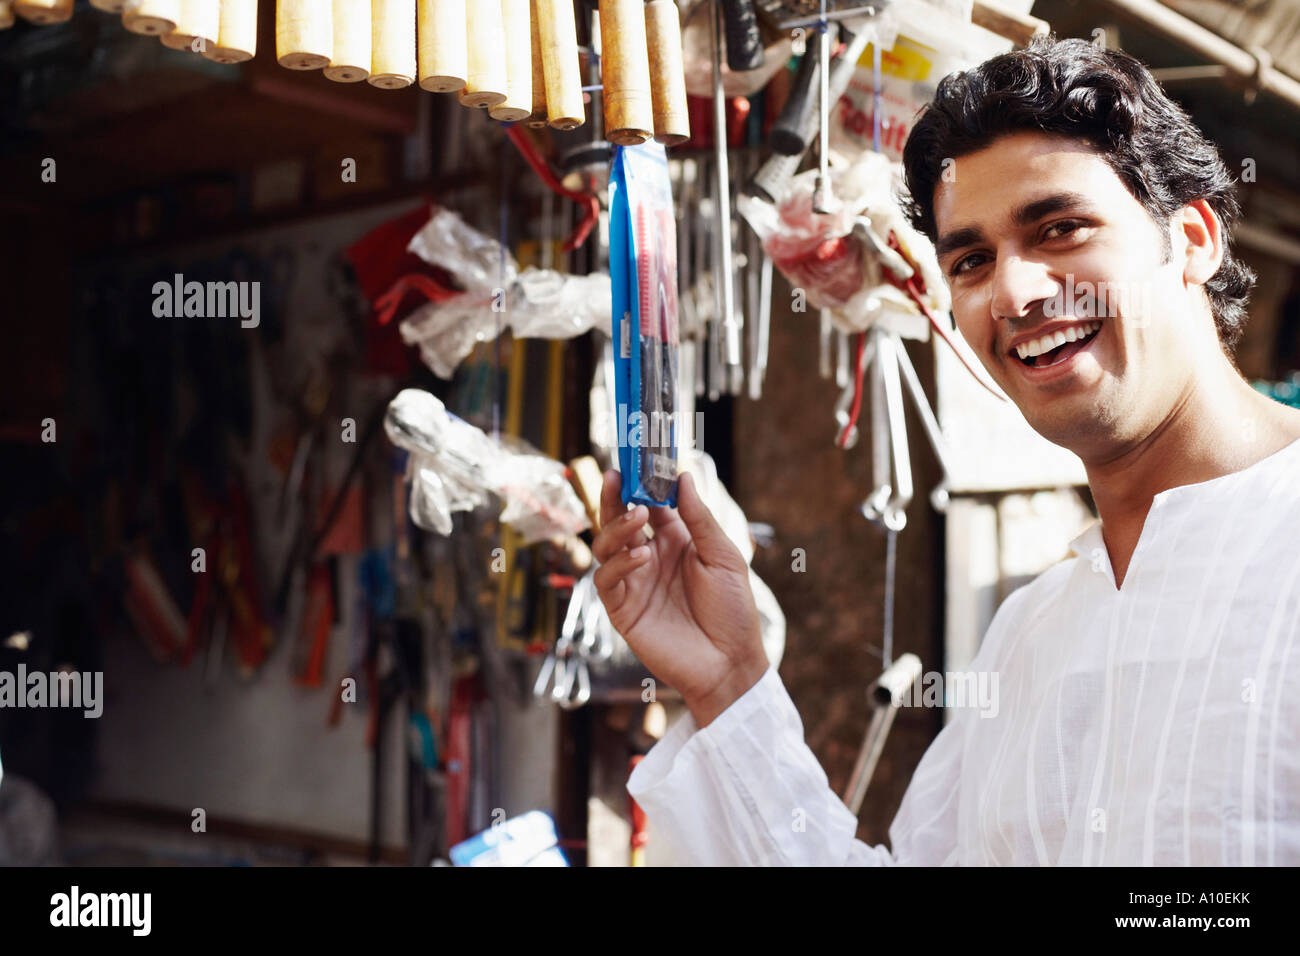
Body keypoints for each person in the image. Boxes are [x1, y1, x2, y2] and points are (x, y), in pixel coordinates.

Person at [591, 36, 1300, 865]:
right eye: (971, 260)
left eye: (1061, 228)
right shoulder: (1031, 634)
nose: (1014, 292)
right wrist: (727, 682)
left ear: (1195, 239)